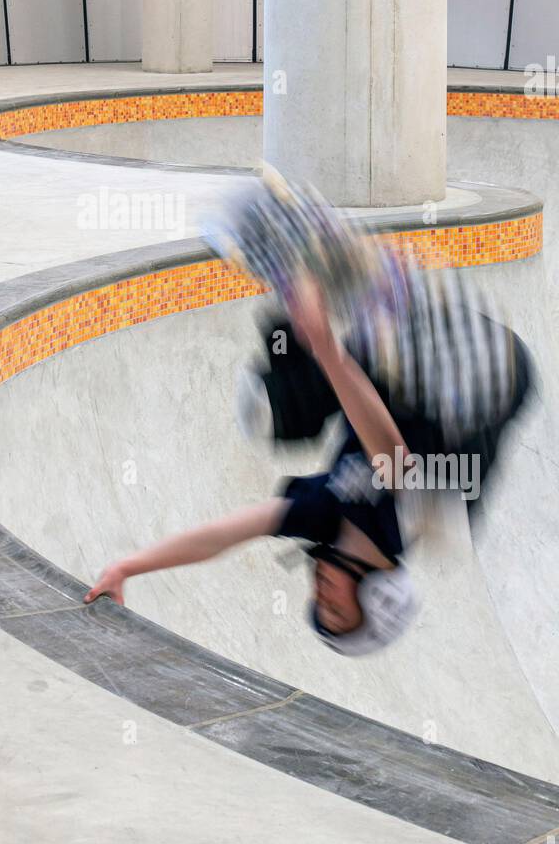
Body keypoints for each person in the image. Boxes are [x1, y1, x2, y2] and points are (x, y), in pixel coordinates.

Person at [85, 176, 533, 656]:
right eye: (336, 608)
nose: (321, 594)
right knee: (425, 465)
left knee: (273, 415)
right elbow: (389, 452)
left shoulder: (323, 514)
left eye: (319, 606)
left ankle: (321, 277)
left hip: (402, 369)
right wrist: (327, 347)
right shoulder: (427, 527)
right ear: (377, 599)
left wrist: (129, 566)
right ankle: (385, 304)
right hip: (490, 377)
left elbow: (221, 536)